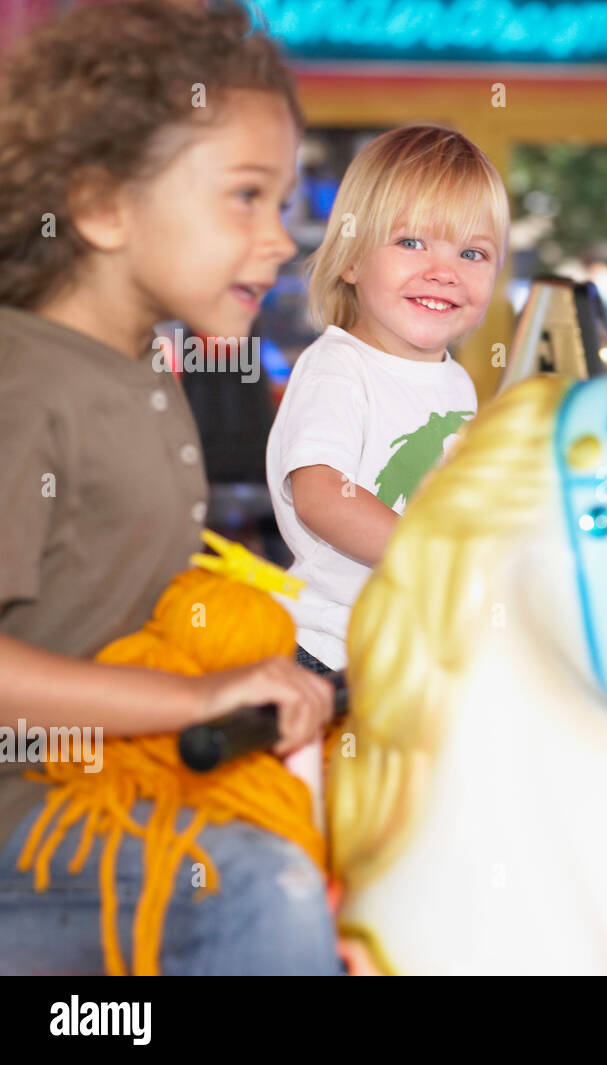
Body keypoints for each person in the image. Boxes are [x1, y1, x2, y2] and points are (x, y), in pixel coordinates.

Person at [0, 0, 339, 974]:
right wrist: (194, 699)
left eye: (282, 202)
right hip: (30, 813)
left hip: (106, 780)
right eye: (244, 197)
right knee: (253, 888)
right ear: (103, 206)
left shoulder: (143, 371)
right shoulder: (27, 386)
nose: (279, 241)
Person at [267, 125, 510, 673]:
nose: (444, 272)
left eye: (472, 252)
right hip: (333, 646)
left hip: (419, 644)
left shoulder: (458, 382)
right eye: (411, 243)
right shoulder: (339, 367)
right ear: (350, 261)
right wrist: (434, 556)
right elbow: (323, 496)